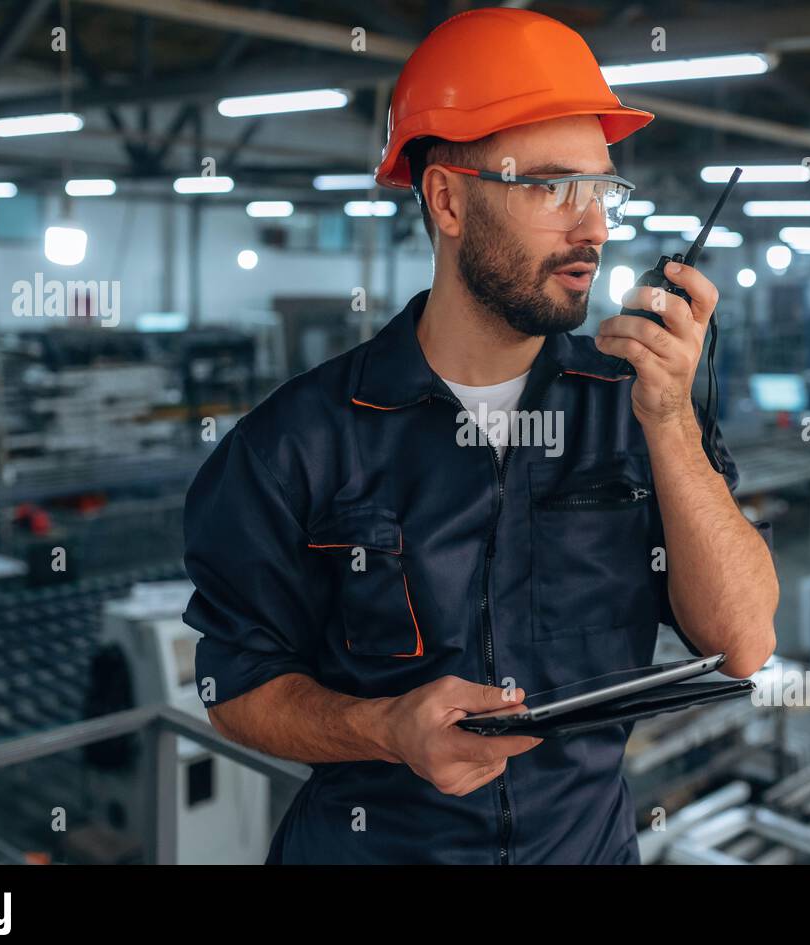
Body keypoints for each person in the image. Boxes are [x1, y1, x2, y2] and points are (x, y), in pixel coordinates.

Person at [182, 7, 778, 865]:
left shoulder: (638, 409)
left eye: (603, 189)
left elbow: (744, 640)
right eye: (550, 187)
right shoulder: (296, 444)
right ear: (448, 198)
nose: (594, 229)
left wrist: (668, 421)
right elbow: (236, 690)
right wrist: (384, 726)